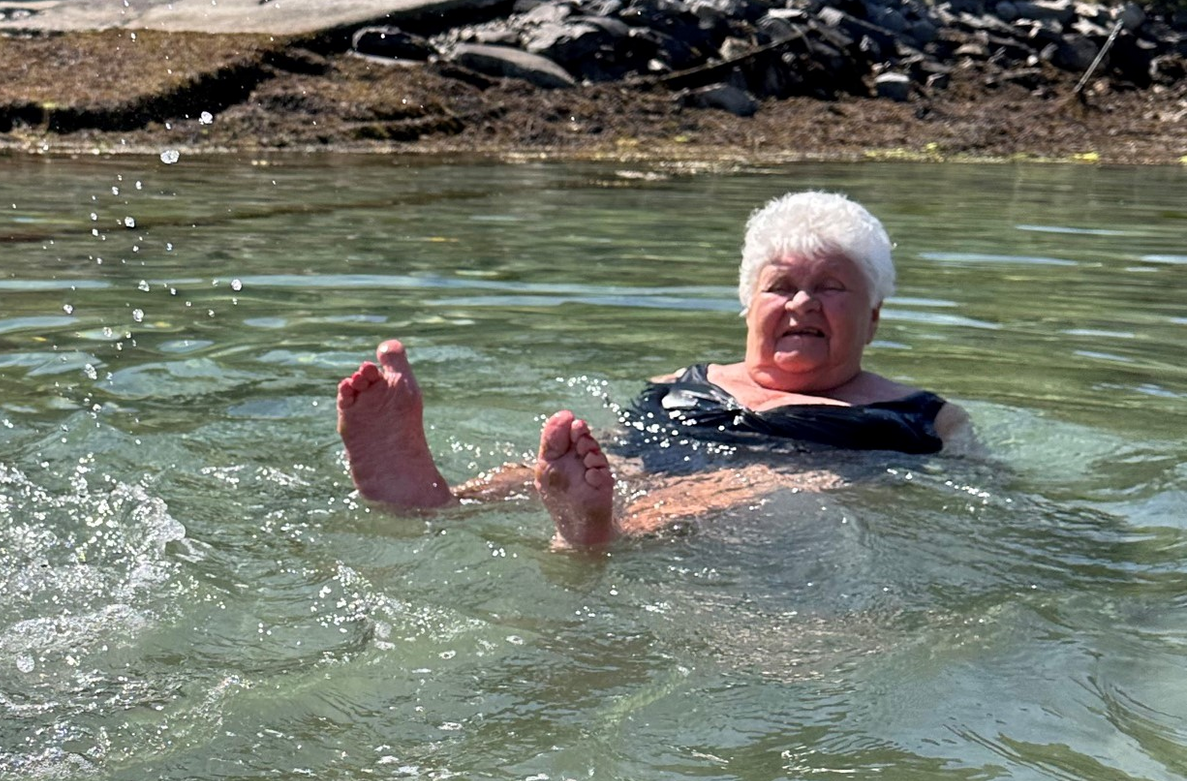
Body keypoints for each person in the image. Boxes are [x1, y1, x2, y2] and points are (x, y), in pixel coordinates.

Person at [336, 190, 973, 549]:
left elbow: (973, 497)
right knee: (607, 461)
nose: (803, 303)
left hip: (812, 473)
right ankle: (431, 495)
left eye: (832, 287)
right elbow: (610, 450)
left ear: (875, 317)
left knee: (770, 483)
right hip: (666, 452)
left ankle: (598, 530)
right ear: (749, 305)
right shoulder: (684, 381)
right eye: (781, 287)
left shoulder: (920, 416)